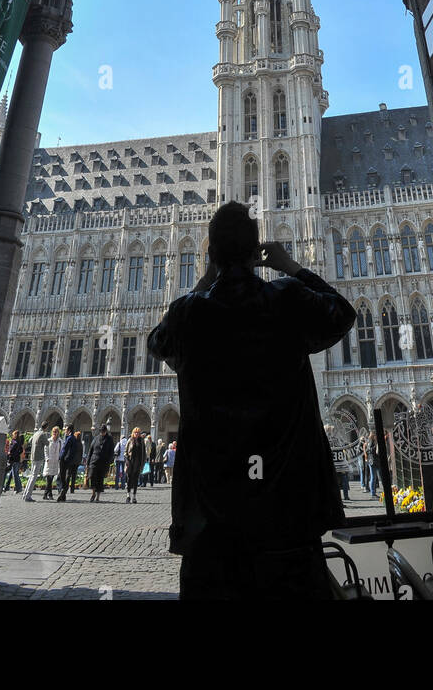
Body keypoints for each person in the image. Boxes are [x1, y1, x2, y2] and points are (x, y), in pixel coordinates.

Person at [147, 201, 356, 600]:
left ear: (211, 256)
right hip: (286, 517)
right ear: (255, 252)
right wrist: (290, 266)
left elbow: (158, 341)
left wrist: (205, 280)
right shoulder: (287, 298)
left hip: (212, 523)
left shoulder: (189, 314)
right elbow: (342, 313)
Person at [87, 426, 115, 502]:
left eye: (103, 431)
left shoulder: (109, 439)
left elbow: (111, 452)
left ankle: (98, 496)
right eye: (101, 431)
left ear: (106, 431)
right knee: (92, 476)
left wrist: (109, 461)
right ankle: (93, 493)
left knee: (100, 478)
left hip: (103, 462)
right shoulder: (96, 438)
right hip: (94, 461)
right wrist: (88, 461)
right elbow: (91, 450)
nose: (102, 433)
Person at [23, 422, 49, 502]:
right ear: (46, 427)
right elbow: (47, 444)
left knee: (31, 476)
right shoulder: (43, 434)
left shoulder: (36, 433)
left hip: (32, 456)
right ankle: (28, 496)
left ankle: (25, 494)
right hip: (38, 457)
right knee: (34, 477)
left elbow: (30, 441)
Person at [57, 425, 80, 502]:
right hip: (69, 460)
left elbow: (65, 449)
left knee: (63, 477)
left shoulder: (70, 438)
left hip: (65, 460)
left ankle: (62, 493)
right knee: (65, 477)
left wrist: (61, 458)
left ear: (69, 430)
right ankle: (63, 496)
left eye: (66, 429)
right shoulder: (72, 438)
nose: (64, 431)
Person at [124, 427, 145, 503]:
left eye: (138, 433)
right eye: (135, 432)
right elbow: (125, 452)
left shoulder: (142, 442)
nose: (136, 434)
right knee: (129, 479)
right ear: (133, 433)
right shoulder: (130, 440)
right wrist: (127, 460)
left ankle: (134, 497)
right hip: (130, 462)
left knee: (136, 480)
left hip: (138, 463)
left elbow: (144, 454)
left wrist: (142, 463)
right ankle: (128, 496)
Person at [2, 429, 24, 494]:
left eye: (13, 434)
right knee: (15, 474)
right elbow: (21, 450)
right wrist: (17, 454)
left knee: (7, 473)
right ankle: (17, 487)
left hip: (12, 460)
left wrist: (9, 453)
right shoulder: (19, 442)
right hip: (17, 460)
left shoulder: (13, 442)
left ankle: (4, 486)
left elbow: (11, 451)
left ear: (15, 435)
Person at [43, 426, 62, 499]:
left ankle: (48, 494)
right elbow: (45, 450)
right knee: (49, 479)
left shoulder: (60, 441)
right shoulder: (49, 440)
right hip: (49, 462)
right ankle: (47, 494)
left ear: (58, 433)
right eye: (53, 431)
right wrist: (47, 458)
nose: (54, 433)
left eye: (56, 431)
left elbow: (61, 451)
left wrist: (60, 459)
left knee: (51, 478)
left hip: (56, 462)